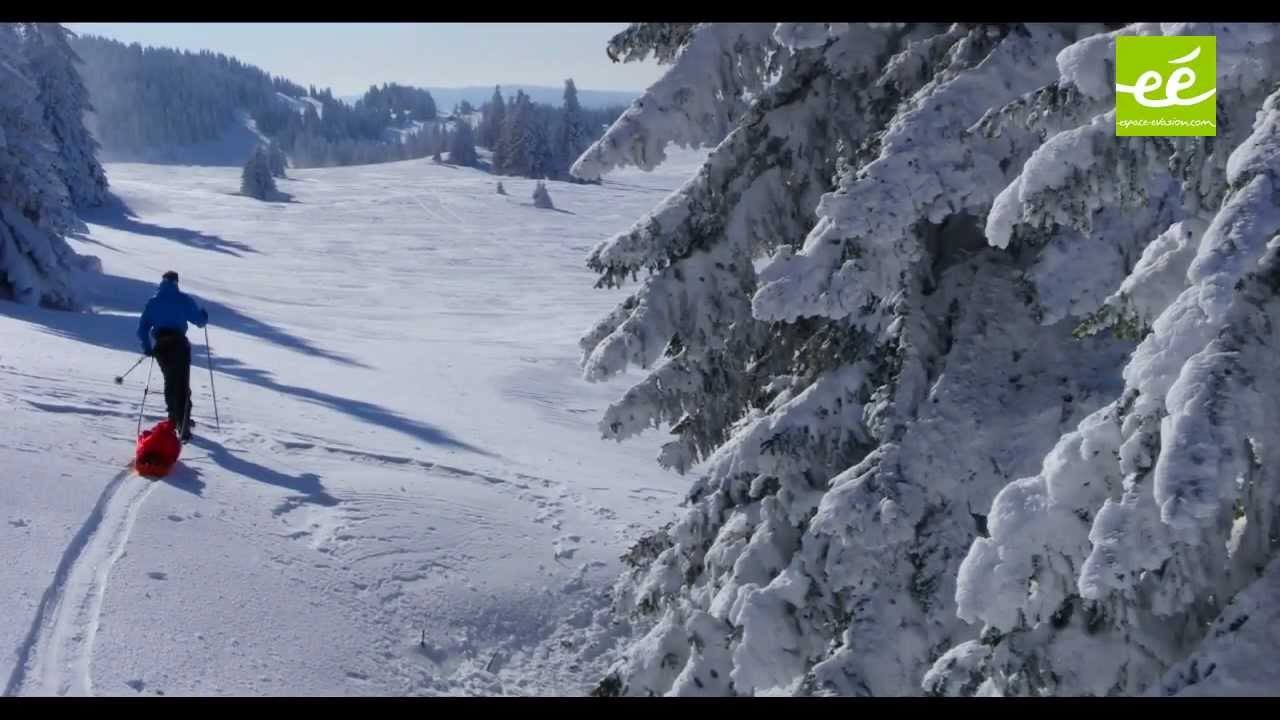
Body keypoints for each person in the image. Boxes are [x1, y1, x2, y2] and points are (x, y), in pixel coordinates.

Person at [137, 271, 209, 441]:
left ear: (162, 282)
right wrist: (204, 315)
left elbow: (142, 329)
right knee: (181, 382)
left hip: (161, 345)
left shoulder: (153, 302)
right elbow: (199, 321)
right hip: (179, 344)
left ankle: (172, 417)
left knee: (170, 380)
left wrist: (147, 348)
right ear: (176, 282)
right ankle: (183, 422)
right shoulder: (183, 299)